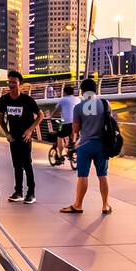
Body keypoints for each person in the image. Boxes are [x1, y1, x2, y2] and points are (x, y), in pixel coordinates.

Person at [62, 76, 113, 215]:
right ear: (95, 90)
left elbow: (76, 129)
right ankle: (105, 205)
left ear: (82, 91)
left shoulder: (78, 107)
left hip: (85, 146)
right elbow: (110, 123)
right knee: (102, 175)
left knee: (82, 176)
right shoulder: (105, 103)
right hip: (102, 145)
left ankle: (78, 205)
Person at [0, 70, 42, 204]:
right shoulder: (4, 99)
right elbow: (1, 119)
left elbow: (40, 115)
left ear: (20, 84)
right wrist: (7, 133)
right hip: (13, 138)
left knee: (27, 164)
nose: (11, 84)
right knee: (16, 165)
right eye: (9, 82)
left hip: (25, 137)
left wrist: (30, 130)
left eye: (14, 82)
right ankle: (18, 192)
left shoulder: (27, 100)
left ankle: (31, 193)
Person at [54, 82, 79, 164]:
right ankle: (73, 147)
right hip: (77, 122)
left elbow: (55, 111)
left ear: (64, 92)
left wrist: (50, 116)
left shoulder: (63, 99)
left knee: (59, 136)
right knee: (74, 133)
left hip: (65, 123)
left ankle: (60, 156)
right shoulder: (78, 99)